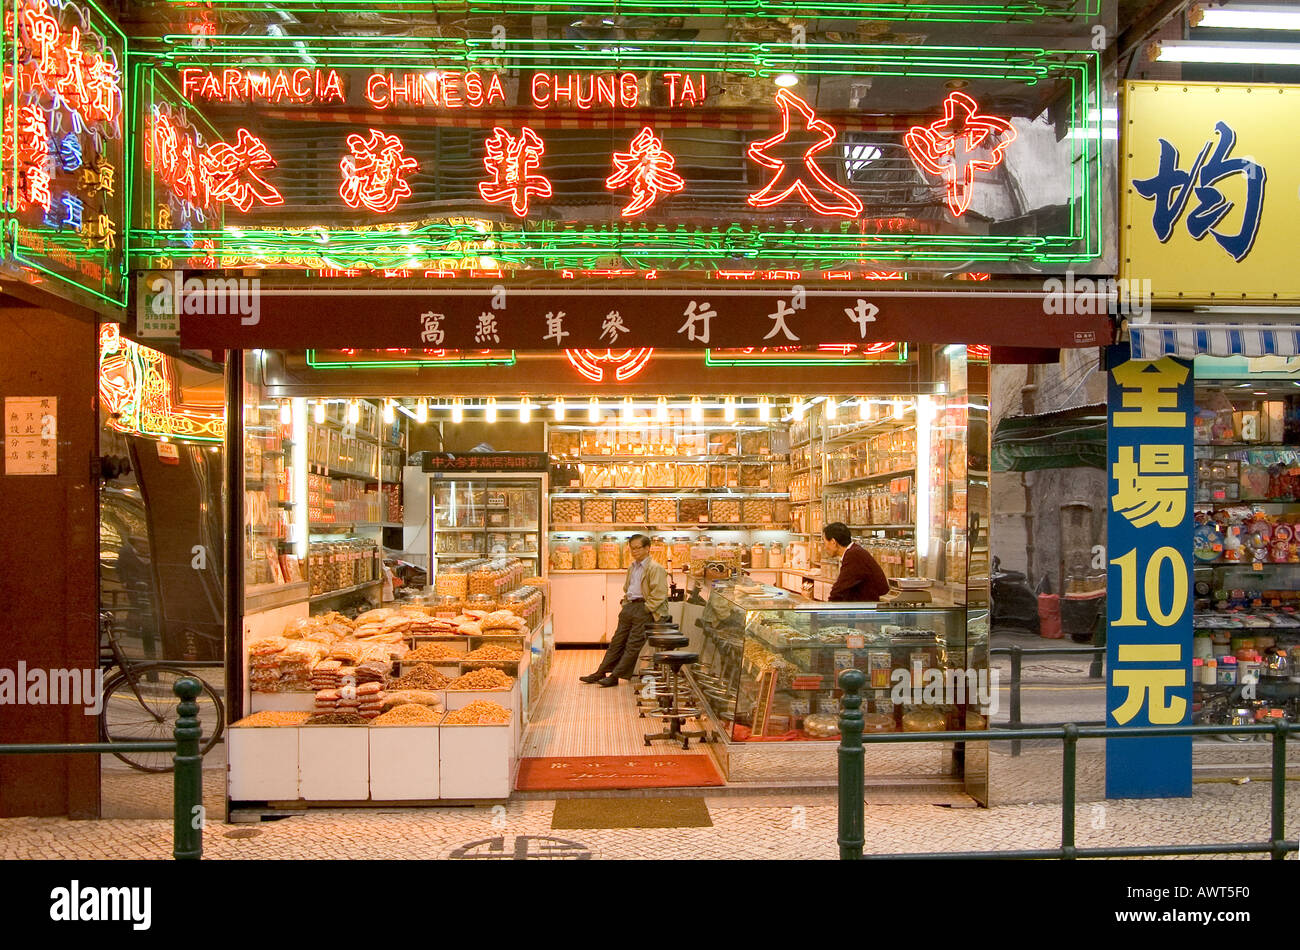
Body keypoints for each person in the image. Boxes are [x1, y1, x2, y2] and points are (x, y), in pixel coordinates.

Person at [580, 534, 669, 687]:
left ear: (648, 548)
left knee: (632, 644)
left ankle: (615, 676)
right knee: (616, 642)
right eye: (632, 548)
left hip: (644, 608)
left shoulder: (656, 568)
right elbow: (628, 587)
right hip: (630, 607)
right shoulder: (632, 567)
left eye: (638, 548)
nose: (634, 551)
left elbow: (659, 594)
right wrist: (626, 603)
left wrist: (646, 609)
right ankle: (601, 671)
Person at [823, 522, 889, 601]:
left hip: (868, 609)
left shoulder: (853, 555)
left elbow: (839, 591)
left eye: (824, 543)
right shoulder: (854, 552)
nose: (824, 547)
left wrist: (828, 609)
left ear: (833, 542)